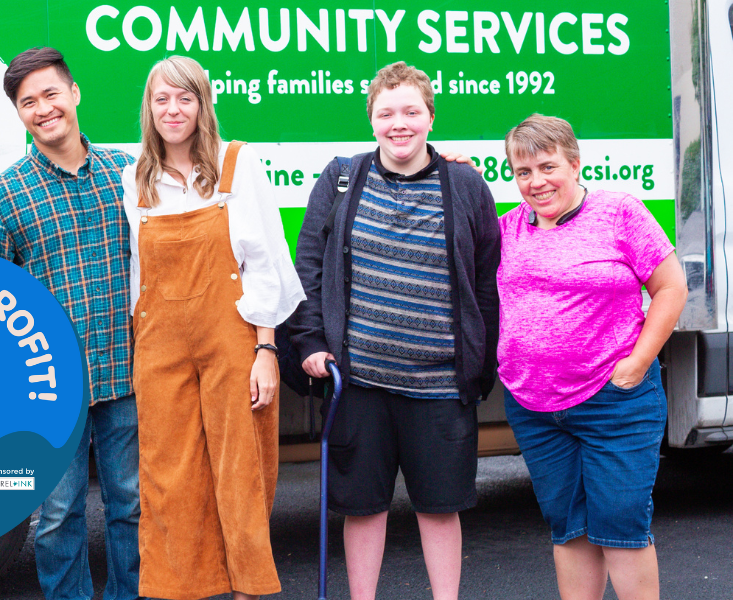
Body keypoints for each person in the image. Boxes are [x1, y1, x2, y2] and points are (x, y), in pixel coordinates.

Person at [283, 61, 500, 600]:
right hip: (359, 385)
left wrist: (480, 364)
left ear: (430, 116)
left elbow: (487, 281)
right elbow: (307, 265)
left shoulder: (467, 184)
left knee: (440, 509)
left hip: (441, 386)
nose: (398, 123)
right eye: (386, 113)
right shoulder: (339, 178)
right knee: (362, 509)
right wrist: (309, 342)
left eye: (411, 111)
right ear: (371, 119)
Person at [121, 56, 303, 600]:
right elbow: (136, 274)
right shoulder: (136, 176)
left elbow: (268, 262)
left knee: (240, 471)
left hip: (233, 339)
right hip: (158, 345)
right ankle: (178, 590)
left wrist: (267, 350)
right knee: (167, 479)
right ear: (148, 110)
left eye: (184, 98)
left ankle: (249, 588)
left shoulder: (236, 164)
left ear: (203, 105)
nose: (172, 110)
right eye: (161, 100)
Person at [0, 47, 141, 600]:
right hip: (49, 390)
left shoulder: (129, 176)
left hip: (128, 371)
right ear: (18, 113)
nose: (43, 109)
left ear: (74, 94)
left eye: (51, 94)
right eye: (28, 102)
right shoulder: (0, 197)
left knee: (134, 505)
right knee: (57, 515)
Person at [497, 114, 684, 600]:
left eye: (547, 167)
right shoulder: (506, 229)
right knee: (569, 527)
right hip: (535, 407)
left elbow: (670, 287)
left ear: (575, 164)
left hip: (614, 400)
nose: (536, 182)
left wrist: (638, 364)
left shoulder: (619, 211)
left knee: (620, 526)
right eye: (522, 172)